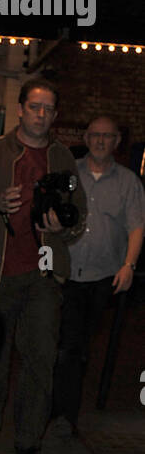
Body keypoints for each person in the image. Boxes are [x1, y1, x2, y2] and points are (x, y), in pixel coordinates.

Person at [0, 79, 87, 454]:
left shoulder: (63, 157)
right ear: (20, 109)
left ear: (55, 114)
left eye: (48, 109)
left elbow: (78, 216)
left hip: (44, 278)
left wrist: (61, 227)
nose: (41, 115)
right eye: (34, 107)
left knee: (39, 365)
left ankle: (28, 446)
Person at [51, 115, 144, 435]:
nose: (100, 141)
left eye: (107, 136)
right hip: (66, 274)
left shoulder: (129, 182)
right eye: (95, 135)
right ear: (86, 138)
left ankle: (61, 402)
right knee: (67, 345)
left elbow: (136, 226)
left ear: (117, 142)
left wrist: (128, 266)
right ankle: (63, 415)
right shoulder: (69, 174)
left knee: (78, 344)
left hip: (103, 276)